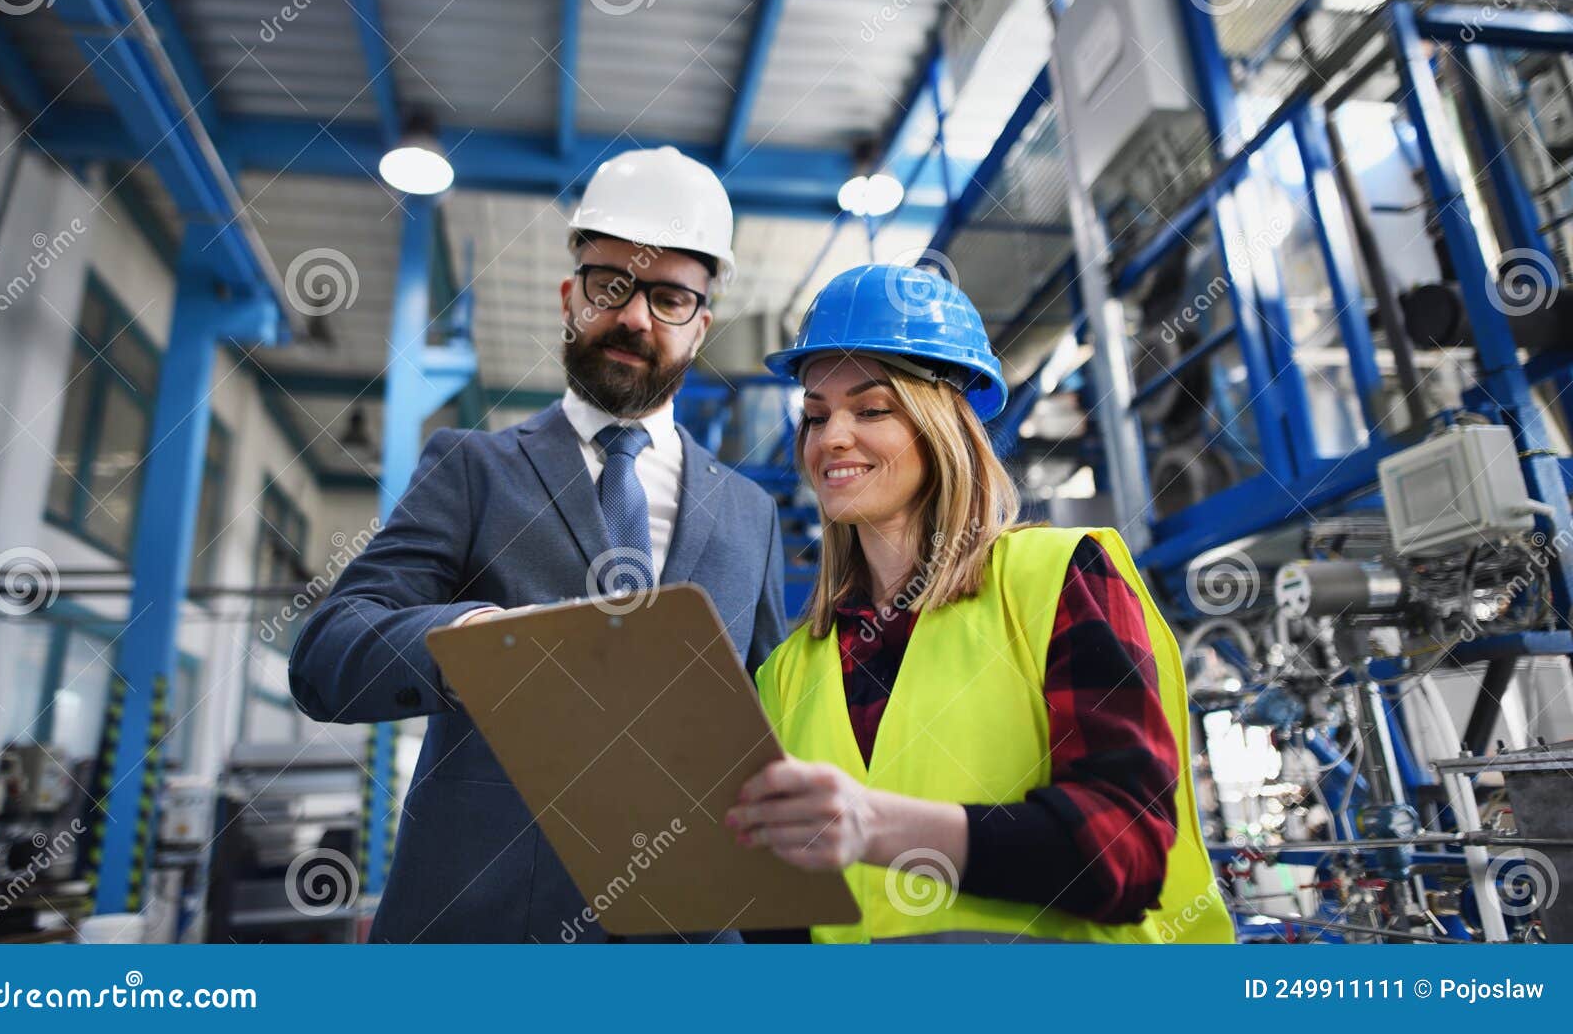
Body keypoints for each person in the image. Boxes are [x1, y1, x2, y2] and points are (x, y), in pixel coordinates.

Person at [290, 147, 787, 943]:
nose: (632, 317)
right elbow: (327, 654)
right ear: (569, 297)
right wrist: (483, 641)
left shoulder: (751, 513)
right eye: (610, 285)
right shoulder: (474, 469)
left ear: (701, 327)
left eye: (668, 298)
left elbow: (772, 731)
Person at [729, 263, 1233, 943]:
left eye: (872, 408)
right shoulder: (788, 671)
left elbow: (1127, 849)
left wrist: (876, 826)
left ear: (943, 426)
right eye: (816, 416)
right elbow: (783, 915)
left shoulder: (1060, 577)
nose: (832, 437)